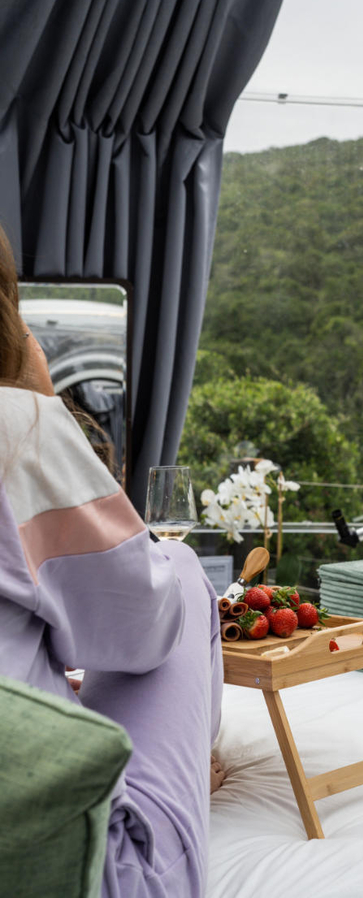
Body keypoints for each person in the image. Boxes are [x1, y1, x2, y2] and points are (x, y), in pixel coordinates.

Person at [0, 228, 224, 898]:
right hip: (79, 870)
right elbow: (137, 634)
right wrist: (39, 404)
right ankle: (194, 781)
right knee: (178, 570)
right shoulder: (16, 430)